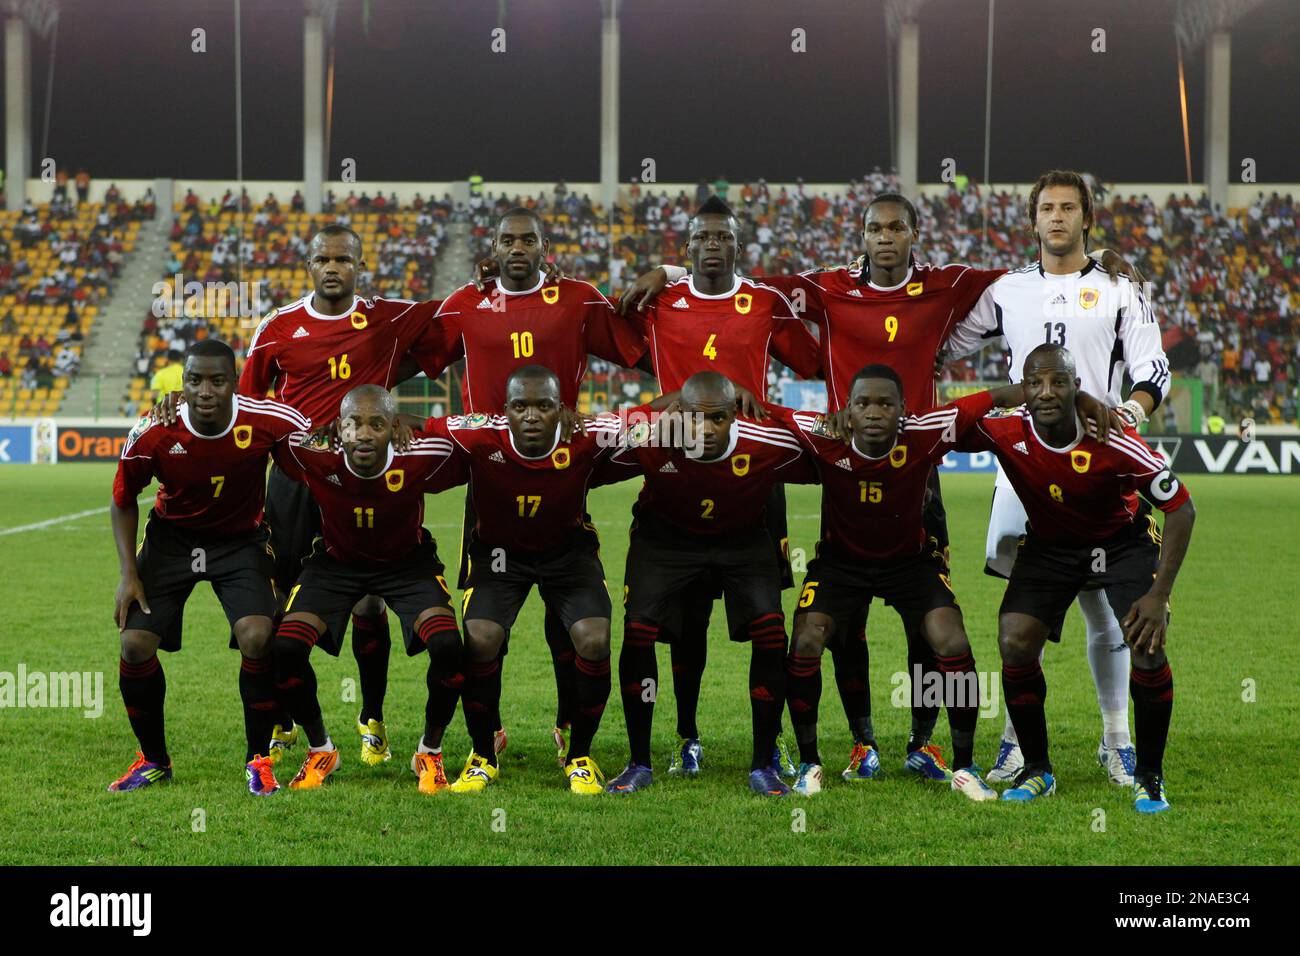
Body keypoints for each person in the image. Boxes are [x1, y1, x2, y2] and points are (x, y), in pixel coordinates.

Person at [770, 364, 1115, 796]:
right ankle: (810, 764)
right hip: (840, 565)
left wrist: (1075, 399)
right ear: (847, 412)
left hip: (910, 563)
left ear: (904, 411)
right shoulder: (823, 433)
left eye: (885, 404)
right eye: (863, 404)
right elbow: (763, 411)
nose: (874, 412)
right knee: (805, 639)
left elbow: (996, 396)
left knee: (951, 643)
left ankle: (964, 767)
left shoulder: (925, 432)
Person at [944, 170, 1173, 787]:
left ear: (1087, 217)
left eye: (1069, 208)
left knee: (1108, 612)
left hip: (1099, 469)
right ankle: (1016, 744)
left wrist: (1125, 416)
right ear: (1033, 218)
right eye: (1047, 208)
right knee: (1026, 610)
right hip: (1024, 467)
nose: (1057, 218)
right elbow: (946, 344)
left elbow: (1153, 368)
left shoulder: (1124, 286)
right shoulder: (1007, 289)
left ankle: (1117, 739)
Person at [620, 195, 820, 778]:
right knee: (683, 625)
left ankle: (770, 746)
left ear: (738, 246)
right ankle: (686, 736)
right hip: (675, 475)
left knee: (765, 622)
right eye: (701, 238)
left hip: (752, 476)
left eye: (723, 237)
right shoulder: (659, 303)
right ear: (686, 247)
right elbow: (603, 323)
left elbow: (812, 362)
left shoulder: (764, 303)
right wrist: (666, 276)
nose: (713, 246)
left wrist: (764, 406)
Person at [960, 345, 1194, 812]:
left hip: (1121, 542)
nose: (1047, 393)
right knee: (1016, 639)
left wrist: (1158, 593)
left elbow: (1181, 508)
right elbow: (950, 418)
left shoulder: (1114, 438)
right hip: (1050, 546)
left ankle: (1149, 776)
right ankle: (1038, 769)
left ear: (1076, 387)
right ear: (1023, 390)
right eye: (1036, 384)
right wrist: (1011, 393)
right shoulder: (1006, 430)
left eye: (1059, 382)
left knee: (1146, 645)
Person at [107, 339, 310, 795]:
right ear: (182, 383)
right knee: (135, 643)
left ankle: (258, 759)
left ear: (233, 383)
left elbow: (308, 446)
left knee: (257, 635)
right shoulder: (154, 431)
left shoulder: (266, 420)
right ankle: (153, 760)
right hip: (171, 540)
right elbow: (122, 500)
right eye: (195, 380)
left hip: (240, 541)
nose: (205, 390)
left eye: (217, 380)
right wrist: (128, 573)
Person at [422, 366, 637, 794]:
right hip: (501, 555)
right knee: (481, 636)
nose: (532, 415)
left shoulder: (589, 436)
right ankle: (484, 753)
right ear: (506, 411)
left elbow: (649, 422)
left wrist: (687, 406)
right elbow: (418, 428)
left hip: (567, 553)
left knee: (593, 638)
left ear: (562, 410)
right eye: (521, 406)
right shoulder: (479, 435)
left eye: (544, 406)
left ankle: (580, 755)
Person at [601, 371, 817, 796]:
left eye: (719, 418)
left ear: (735, 416)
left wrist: (773, 407)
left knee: (772, 632)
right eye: (696, 418)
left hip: (742, 542)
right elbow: (594, 436)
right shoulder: (648, 433)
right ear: (678, 413)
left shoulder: (765, 440)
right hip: (665, 540)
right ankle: (638, 762)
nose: (707, 429)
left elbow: (826, 447)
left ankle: (763, 765)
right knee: (639, 631)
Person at [267, 385, 467, 793]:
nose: (363, 434)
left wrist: (426, 423)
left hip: (408, 565)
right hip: (337, 564)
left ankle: (429, 753)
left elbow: (474, 448)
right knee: (285, 648)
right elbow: (265, 433)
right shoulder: (314, 454)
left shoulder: (421, 457)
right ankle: (321, 748)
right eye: (353, 423)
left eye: (376, 424)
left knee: (448, 646)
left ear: (394, 429)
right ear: (339, 427)